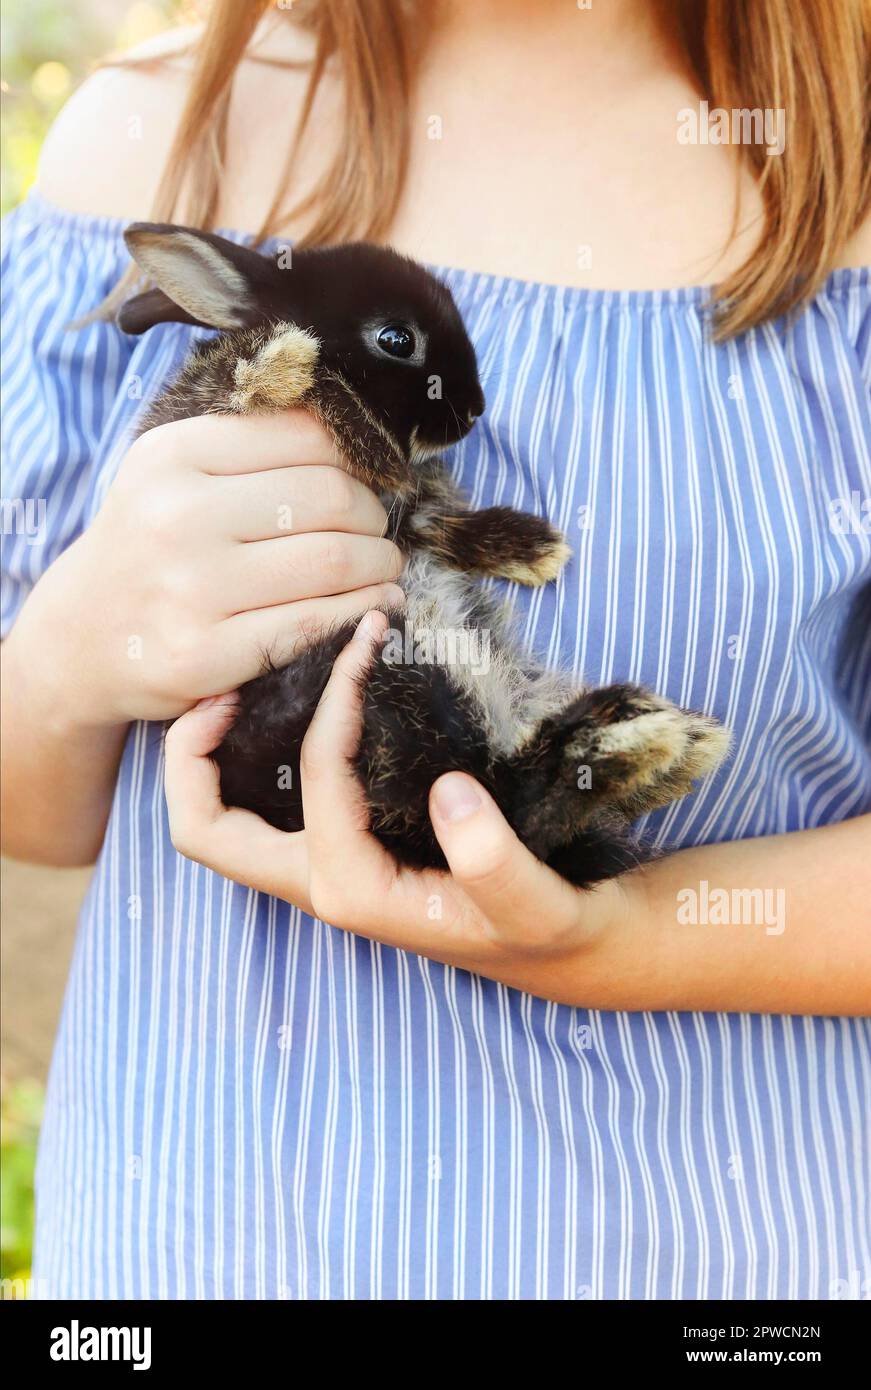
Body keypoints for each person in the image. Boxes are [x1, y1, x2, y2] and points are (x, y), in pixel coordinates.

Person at [2, 0, 869, 1300]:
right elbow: (35, 808)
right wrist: (77, 641)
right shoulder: (151, 136)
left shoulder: (841, 178)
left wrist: (616, 938)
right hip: (204, 1248)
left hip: (714, 1256)